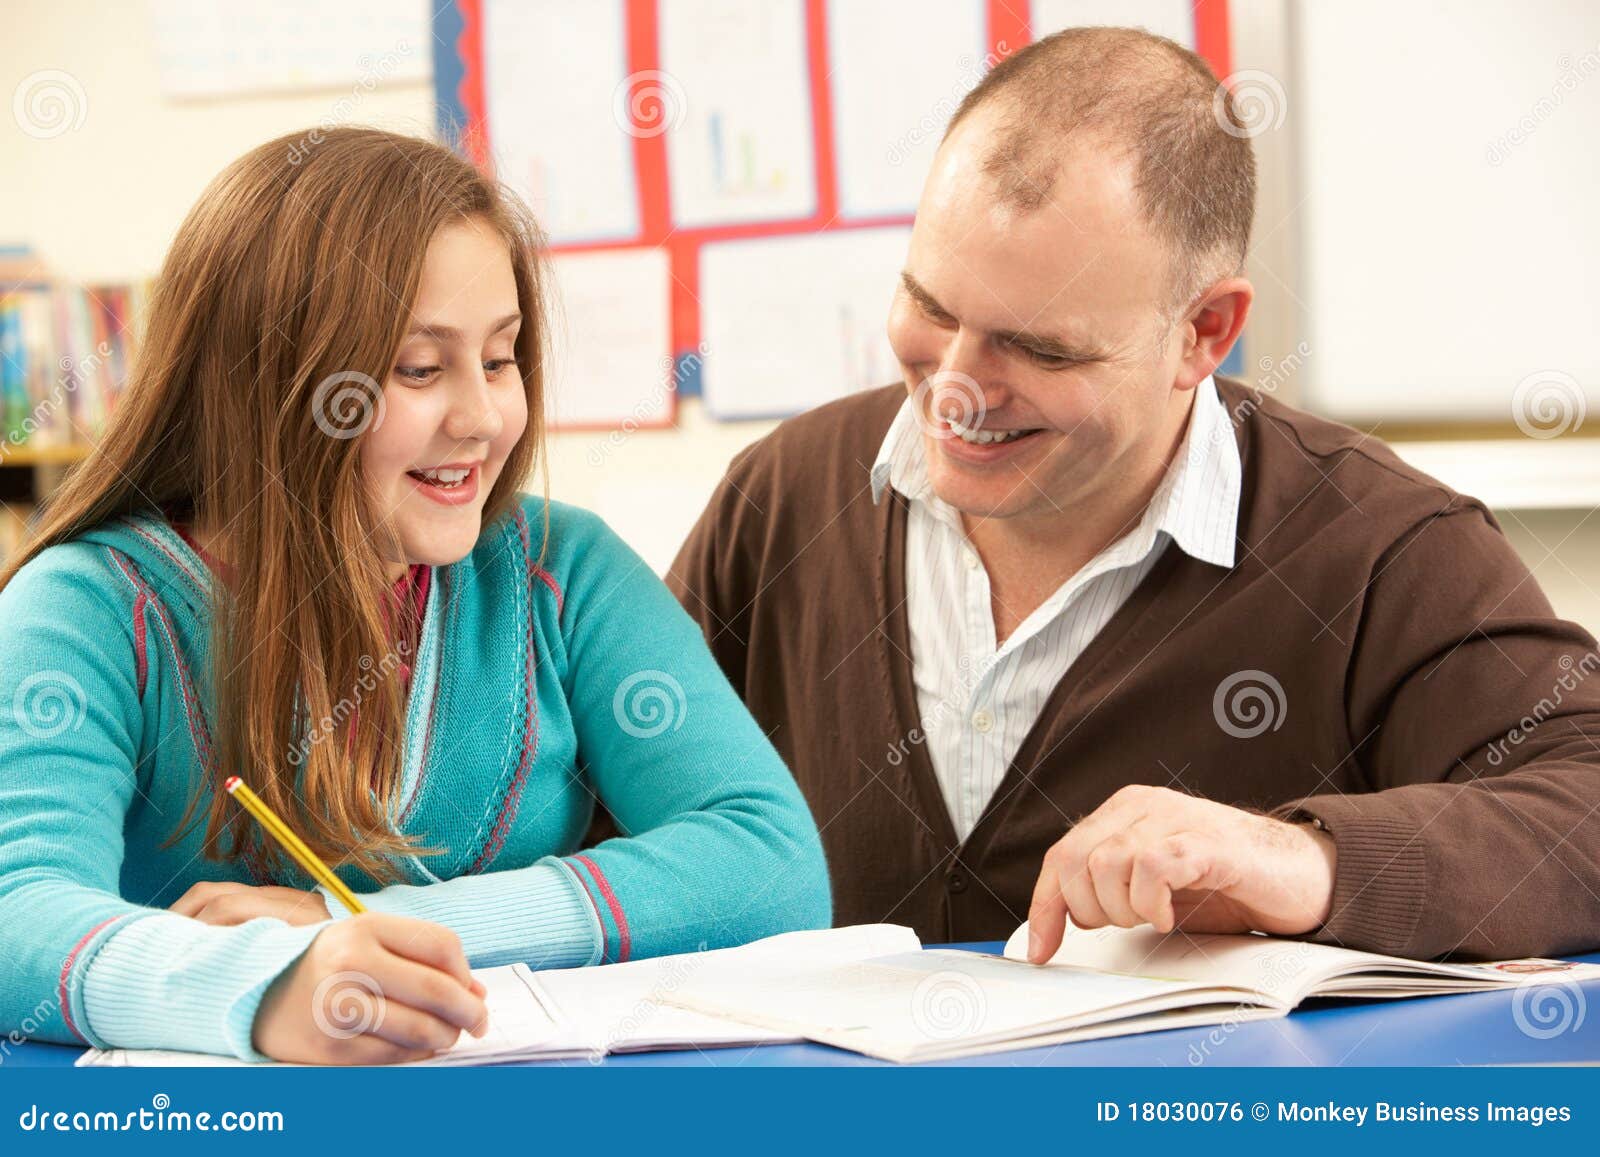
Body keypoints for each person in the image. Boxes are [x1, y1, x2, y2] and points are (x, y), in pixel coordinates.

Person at [668, 27, 1600, 963]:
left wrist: (1297, 857)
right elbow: (600, 811)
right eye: (933, 308)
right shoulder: (785, 495)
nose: (953, 388)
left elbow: (1584, 808)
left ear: (1205, 330)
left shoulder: (1382, 549)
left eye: (1038, 347)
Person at [0, 127, 830, 1064]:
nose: (482, 419)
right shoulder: (88, 609)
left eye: (502, 358)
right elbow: (16, 913)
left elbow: (770, 861)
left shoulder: (564, 569)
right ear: (269, 385)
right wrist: (269, 988)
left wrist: (366, 924)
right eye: (420, 369)